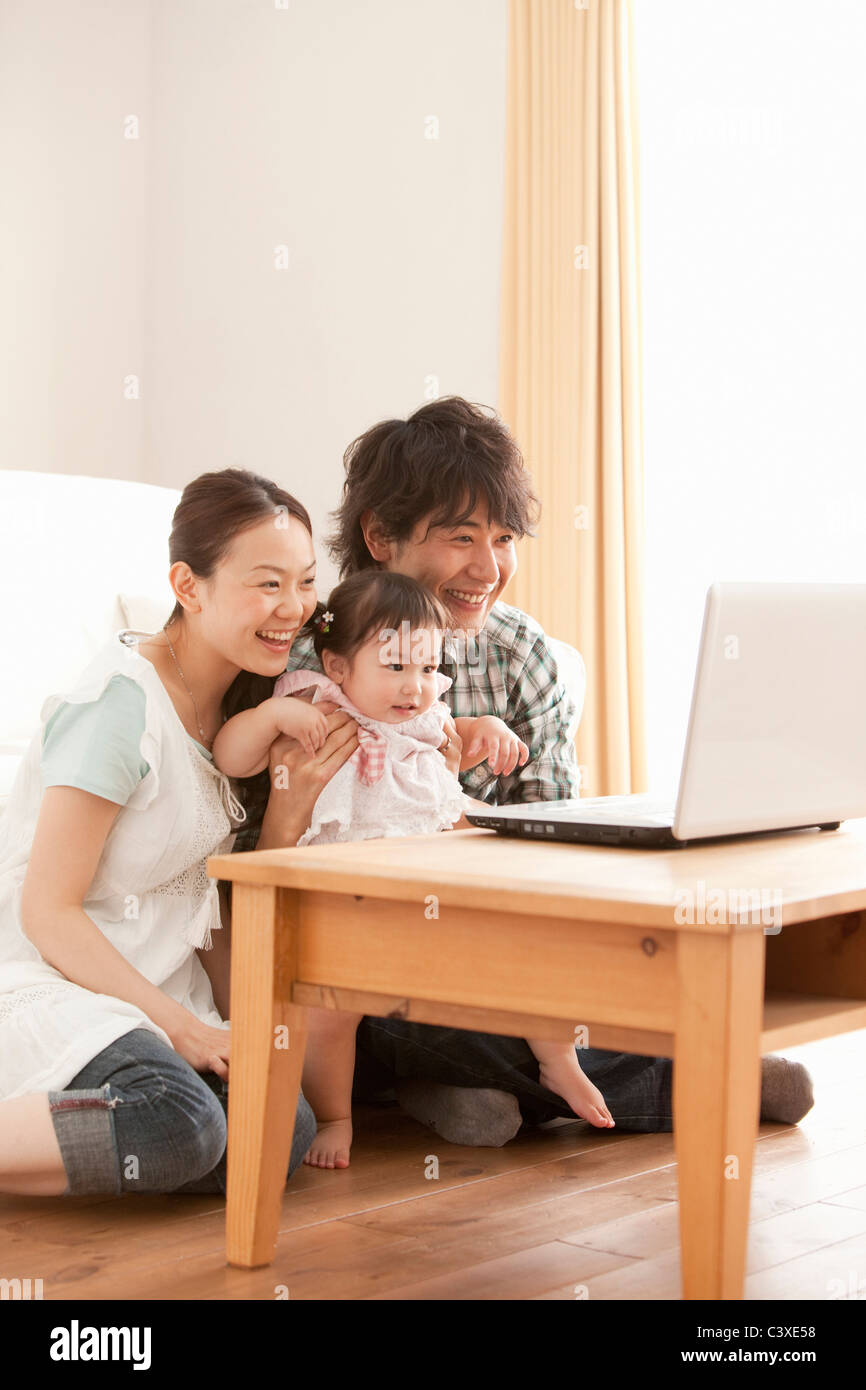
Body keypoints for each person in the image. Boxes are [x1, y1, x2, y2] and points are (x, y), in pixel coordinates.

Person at [263, 396, 814, 1143]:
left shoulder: (522, 655)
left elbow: (558, 837)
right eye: (462, 538)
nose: (487, 569)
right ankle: (703, 1080)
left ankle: (473, 1086)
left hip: (489, 940)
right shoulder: (321, 660)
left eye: (504, 538)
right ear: (381, 536)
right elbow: (290, 855)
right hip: (368, 959)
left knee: (572, 985)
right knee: (406, 1018)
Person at [0, 468, 360, 1197]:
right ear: (188, 588)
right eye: (266, 584)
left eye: (304, 583)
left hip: (157, 991)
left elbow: (206, 909)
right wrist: (182, 1030)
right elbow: (47, 912)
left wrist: (291, 806)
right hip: (56, 979)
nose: (292, 609)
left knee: (278, 1128)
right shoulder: (117, 703)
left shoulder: (248, 712)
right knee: (178, 1124)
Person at [214, 569, 614, 1168]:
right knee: (327, 1010)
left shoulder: (427, 716)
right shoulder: (314, 700)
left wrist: (490, 730)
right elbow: (230, 753)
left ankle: (560, 1062)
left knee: (524, 942)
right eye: (396, 667)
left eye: (427, 669)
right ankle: (334, 1117)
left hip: (428, 869)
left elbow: (459, 732)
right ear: (340, 667)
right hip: (345, 895)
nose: (416, 687)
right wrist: (273, 720)